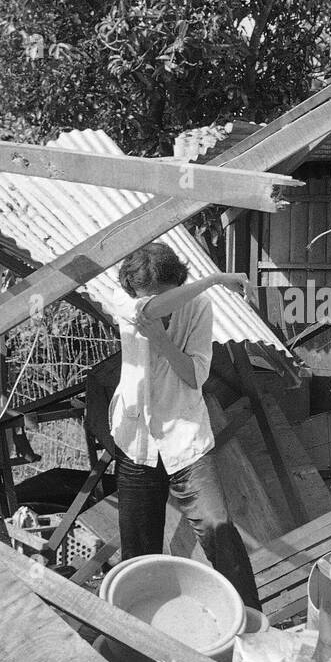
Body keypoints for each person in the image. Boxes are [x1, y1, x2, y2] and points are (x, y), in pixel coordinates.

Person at [109, 242, 262, 610]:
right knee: (138, 552)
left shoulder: (197, 305)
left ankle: (254, 624)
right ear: (133, 290)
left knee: (219, 531)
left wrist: (161, 340)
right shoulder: (122, 298)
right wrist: (216, 278)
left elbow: (194, 376)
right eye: (150, 296)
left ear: (180, 283)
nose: (166, 307)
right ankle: (142, 634)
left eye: (171, 295)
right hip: (137, 440)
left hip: (185, 437)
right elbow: (151, 309)